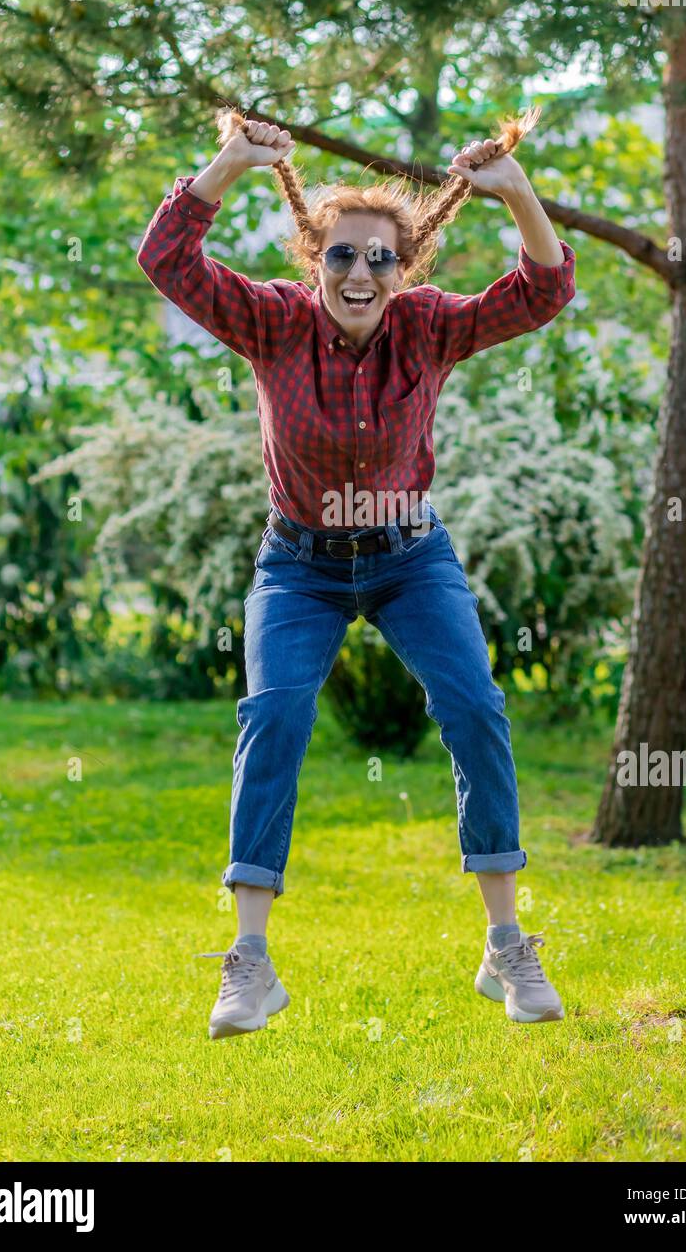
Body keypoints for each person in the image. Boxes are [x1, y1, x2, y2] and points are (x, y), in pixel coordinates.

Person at [136, 107, 576, 1039]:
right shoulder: (273, 322)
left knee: (475, 707)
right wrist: (228, 163)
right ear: (314, 259)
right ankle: (250, 964)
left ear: (404, 268)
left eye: (380, 258)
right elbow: (166, 259)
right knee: (275, 716)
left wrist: (517, 191)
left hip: (410, 557)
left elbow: (544, 290)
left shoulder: (429, 326)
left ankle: (505, 945)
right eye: (342, 256)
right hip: (299, 566)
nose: (360, 274)